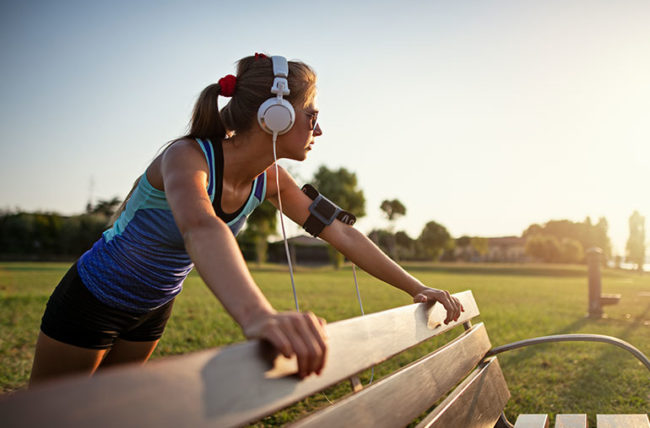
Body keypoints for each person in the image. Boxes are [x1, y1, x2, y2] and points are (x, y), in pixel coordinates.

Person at [29, 53, 463, 386]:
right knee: (48, 418)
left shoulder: (272, 179)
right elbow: (201, 226)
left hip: (152, 310)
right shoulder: (186, 157)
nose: (319, 130)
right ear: (277, 115)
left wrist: (416, 286)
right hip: (92, 297)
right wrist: (259, 316)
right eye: (312, 115)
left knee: (107, 411)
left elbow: (341, 232)